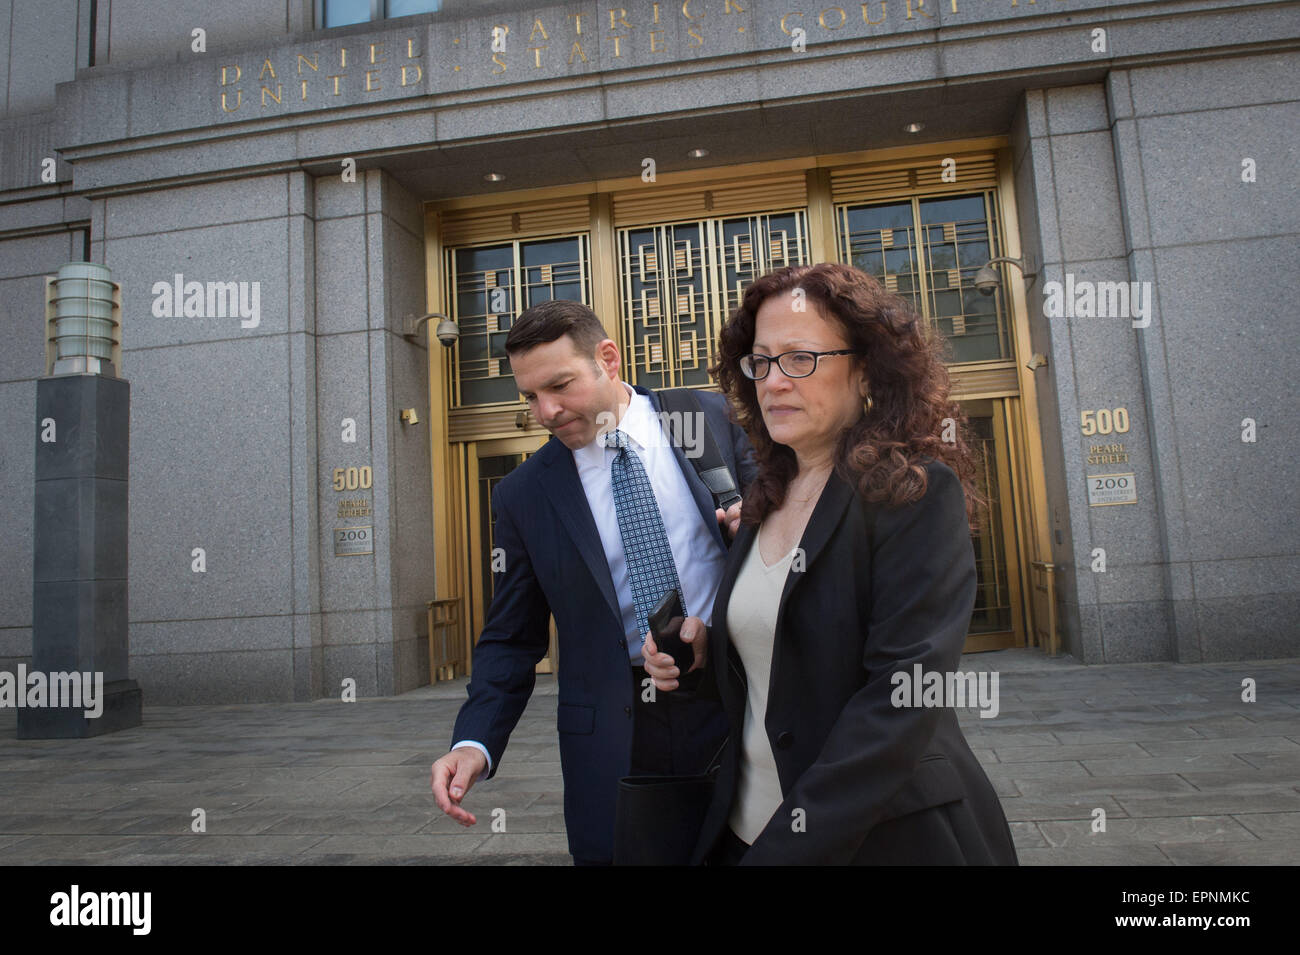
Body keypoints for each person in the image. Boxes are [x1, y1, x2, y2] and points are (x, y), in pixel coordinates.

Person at [645, 262, 1018, 865]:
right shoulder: (765, 499)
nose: (773, 381)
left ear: (865, 368)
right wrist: (701, 657)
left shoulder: (915, 494)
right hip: (745, 825)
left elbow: (902, 697)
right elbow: (780, 666)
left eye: (800, 358)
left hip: (882, 838)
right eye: (760, 362)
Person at [430, 299, 757, 866]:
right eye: (530, 396)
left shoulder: (712, 420)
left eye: (561, 386)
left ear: (608, 358)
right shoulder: (524, 495)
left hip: (736, 699)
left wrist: (752, 527)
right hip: (617, 730)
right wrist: (472, 742)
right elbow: (512, 637)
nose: (547, 412)